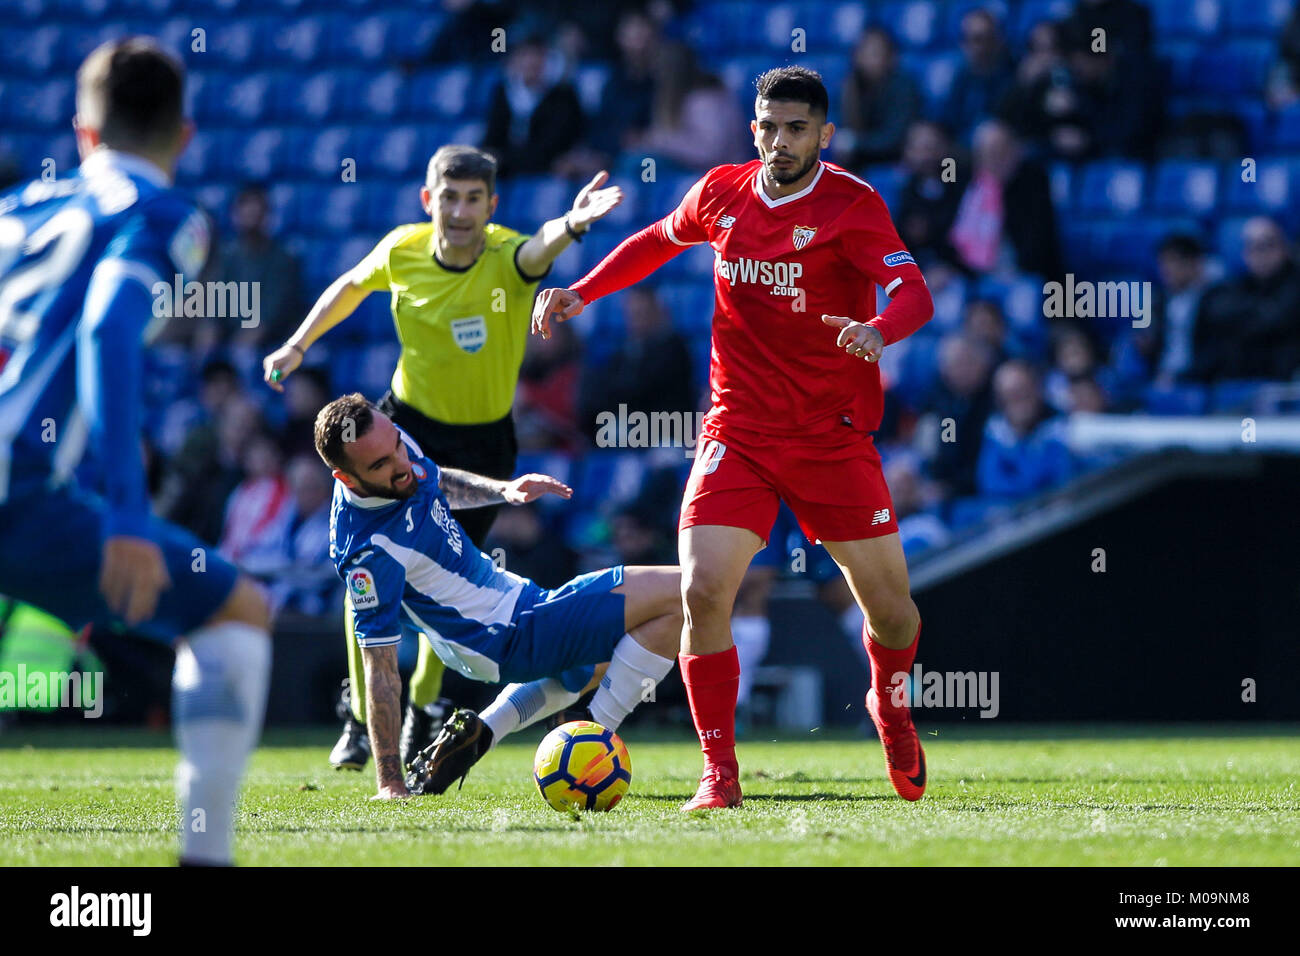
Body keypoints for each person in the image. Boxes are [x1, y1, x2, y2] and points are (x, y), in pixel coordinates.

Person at [533, 66, 935, 809]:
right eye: (767, 127)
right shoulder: (723, 189)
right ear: (752, 127)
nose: (778, 141)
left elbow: (915, 291)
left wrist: (878, 331)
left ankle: (892, 707)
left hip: (829, 437)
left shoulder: (852, 204)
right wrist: (582, 291)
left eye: (795, 129)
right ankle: (719, 774)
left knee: (892, 611)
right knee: (704, 590)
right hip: (737, 429)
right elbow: (658, 238)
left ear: (824, 135)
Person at [262, 145, 623, 771]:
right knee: (367, 576)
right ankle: (358, 716)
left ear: (491, 206)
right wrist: (297, 345)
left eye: (473, 199)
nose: (460, 210)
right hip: (400, 432)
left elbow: (539, 248)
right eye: (449, 197)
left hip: (483, 443)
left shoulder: (507, 255)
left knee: (450, 580)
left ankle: (420, 709)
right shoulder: (402, 249)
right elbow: (349, 287)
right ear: (429, 200)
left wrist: (574, 222)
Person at [0, 38, 270, 865]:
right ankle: (204, 857)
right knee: (235, 613)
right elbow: (111, 323)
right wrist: (127, 510)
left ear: (82, 133)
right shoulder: (163, 217)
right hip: (17, 490)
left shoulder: (16, 210)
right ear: (185, 137)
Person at [314, 395, 681, 798]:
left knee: (608, 658)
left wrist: (504, 491)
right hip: (500, 635)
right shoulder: (367, 552)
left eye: (397, 446)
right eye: (380, 465)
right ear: (346, 479)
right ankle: (594, 737)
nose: (401, 463)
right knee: (683, 591)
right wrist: (389, 782)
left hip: (515, 601)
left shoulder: (392, 449)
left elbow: (433, 479)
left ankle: (481, 735)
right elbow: (380, 670)